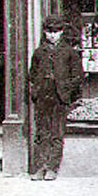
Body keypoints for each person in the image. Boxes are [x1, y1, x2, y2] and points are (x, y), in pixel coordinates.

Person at [28, 13, 83, 181]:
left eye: (56, 31)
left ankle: (52, 168)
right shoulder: (39, 52)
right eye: (49, 31)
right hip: (43, 94)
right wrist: (37, 90)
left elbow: (78, 76)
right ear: (45, 32)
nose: (52, 35)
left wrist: (66, 89)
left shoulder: (69, 52)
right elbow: (32, 73)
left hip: (59, 95)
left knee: (56, 133)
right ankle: (39, 167)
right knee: (41, 133)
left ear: (61, 32)